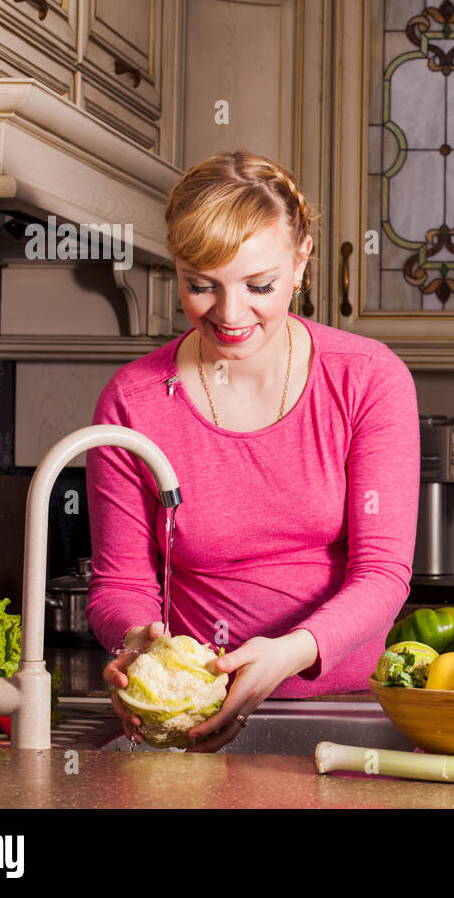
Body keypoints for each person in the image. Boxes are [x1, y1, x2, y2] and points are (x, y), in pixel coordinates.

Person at [85, 151, 420, 752]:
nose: (231, 314)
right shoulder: (132, 402)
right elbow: (120, 583)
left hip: (350, 708)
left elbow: (384, 573)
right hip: (192, 713)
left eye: (259, 285)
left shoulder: (368, 379)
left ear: (302, 262)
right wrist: (136, 645)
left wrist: (287, 656)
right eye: (201, 285)